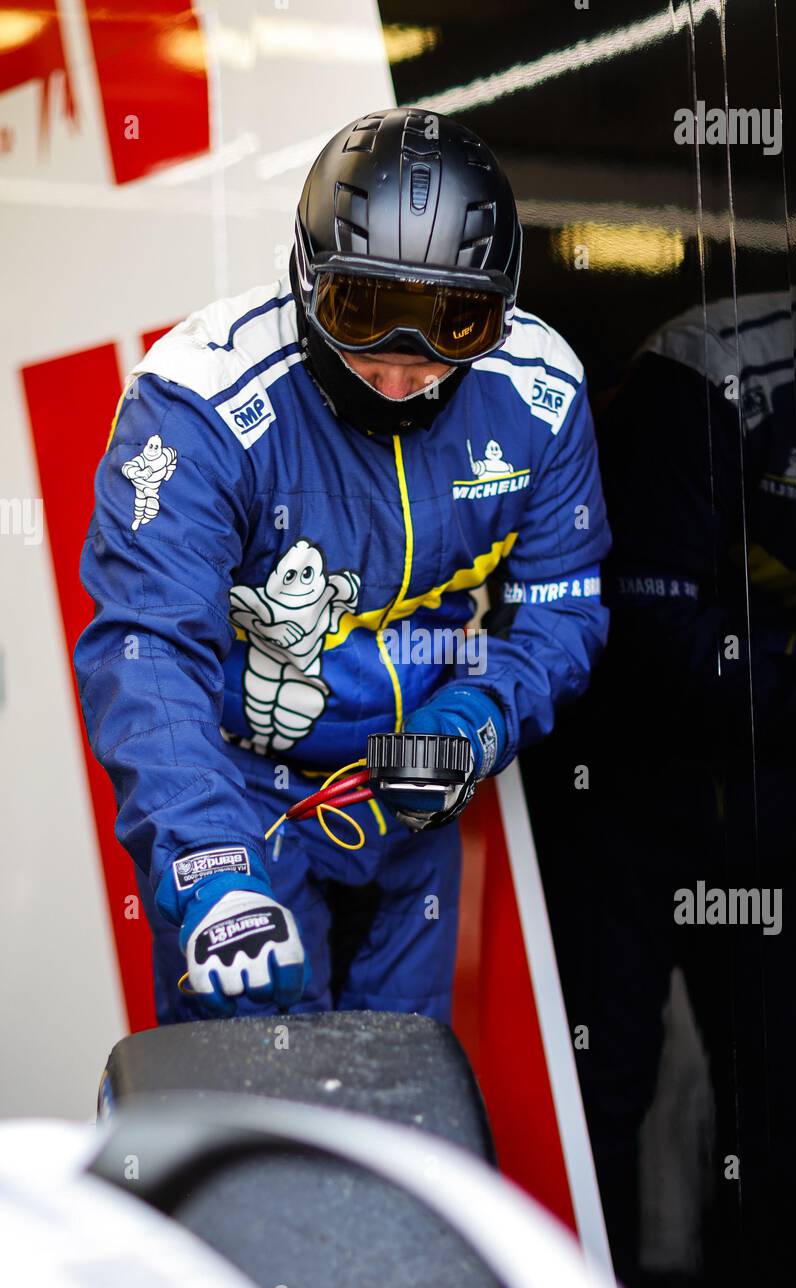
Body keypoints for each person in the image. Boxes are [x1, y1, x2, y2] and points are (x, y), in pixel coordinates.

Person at [74, 107, 610, 1025]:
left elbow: (564, 607)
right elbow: (146, 651)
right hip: (241, 799)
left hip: (413, 803)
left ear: (503, 307)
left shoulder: (542, 393)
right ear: (304, 277)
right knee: (257, 1127)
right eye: (363, 315)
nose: (401, 370)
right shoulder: (195, 404)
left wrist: (476, 723)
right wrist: (210, 863)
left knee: (405, 1116)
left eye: (456, 325)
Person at [553, 262, 796, 1288]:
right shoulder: (706, 372)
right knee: (602, 1092)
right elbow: (642, 626)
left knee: (776, 1114)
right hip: (629, 798)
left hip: (778, 810)